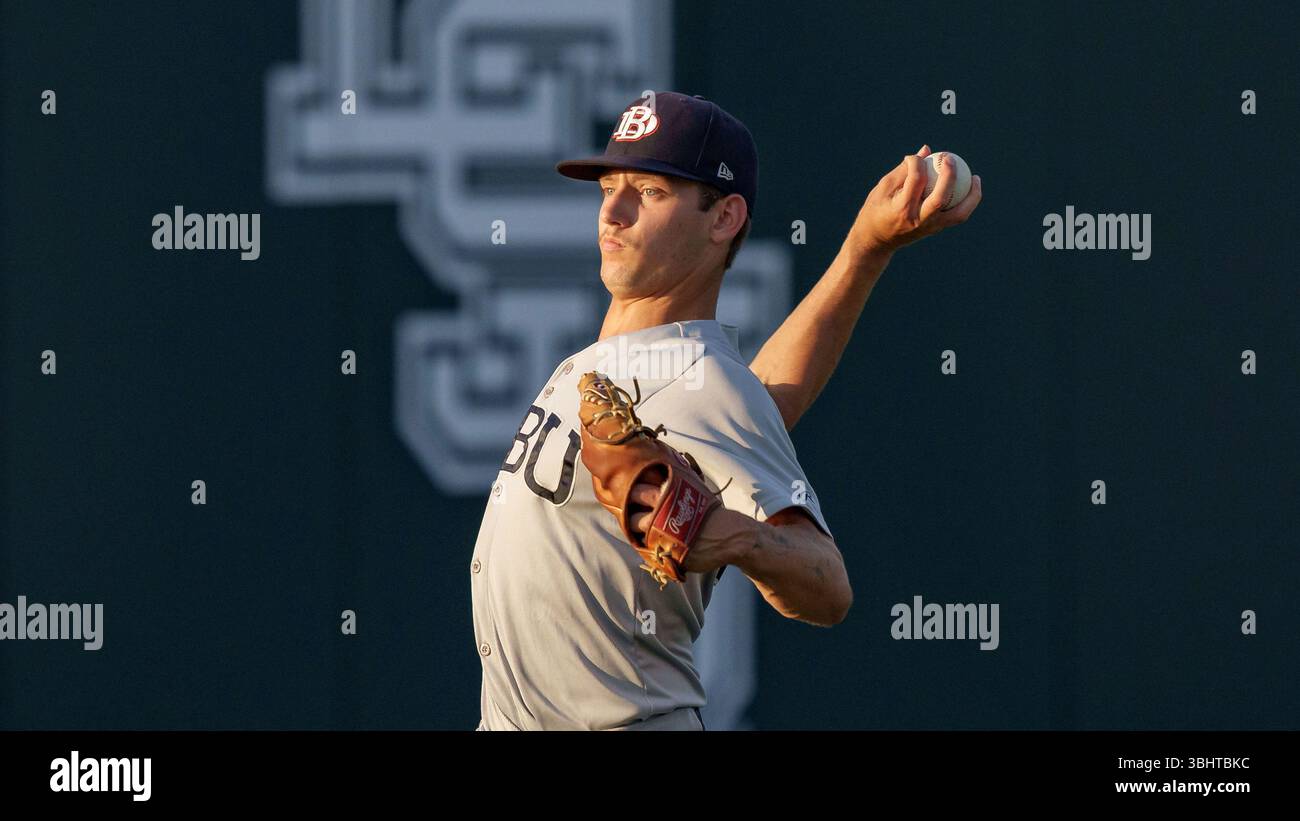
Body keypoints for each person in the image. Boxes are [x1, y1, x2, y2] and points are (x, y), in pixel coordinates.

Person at [470, 91, 981, 730]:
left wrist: (735, 535)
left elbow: (829, 586)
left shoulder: (699, 378)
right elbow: (765, 401)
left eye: (650, 192)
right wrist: (860, 252)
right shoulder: (645, 369)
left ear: (723, 218)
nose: (614, 213)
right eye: (608, 188)